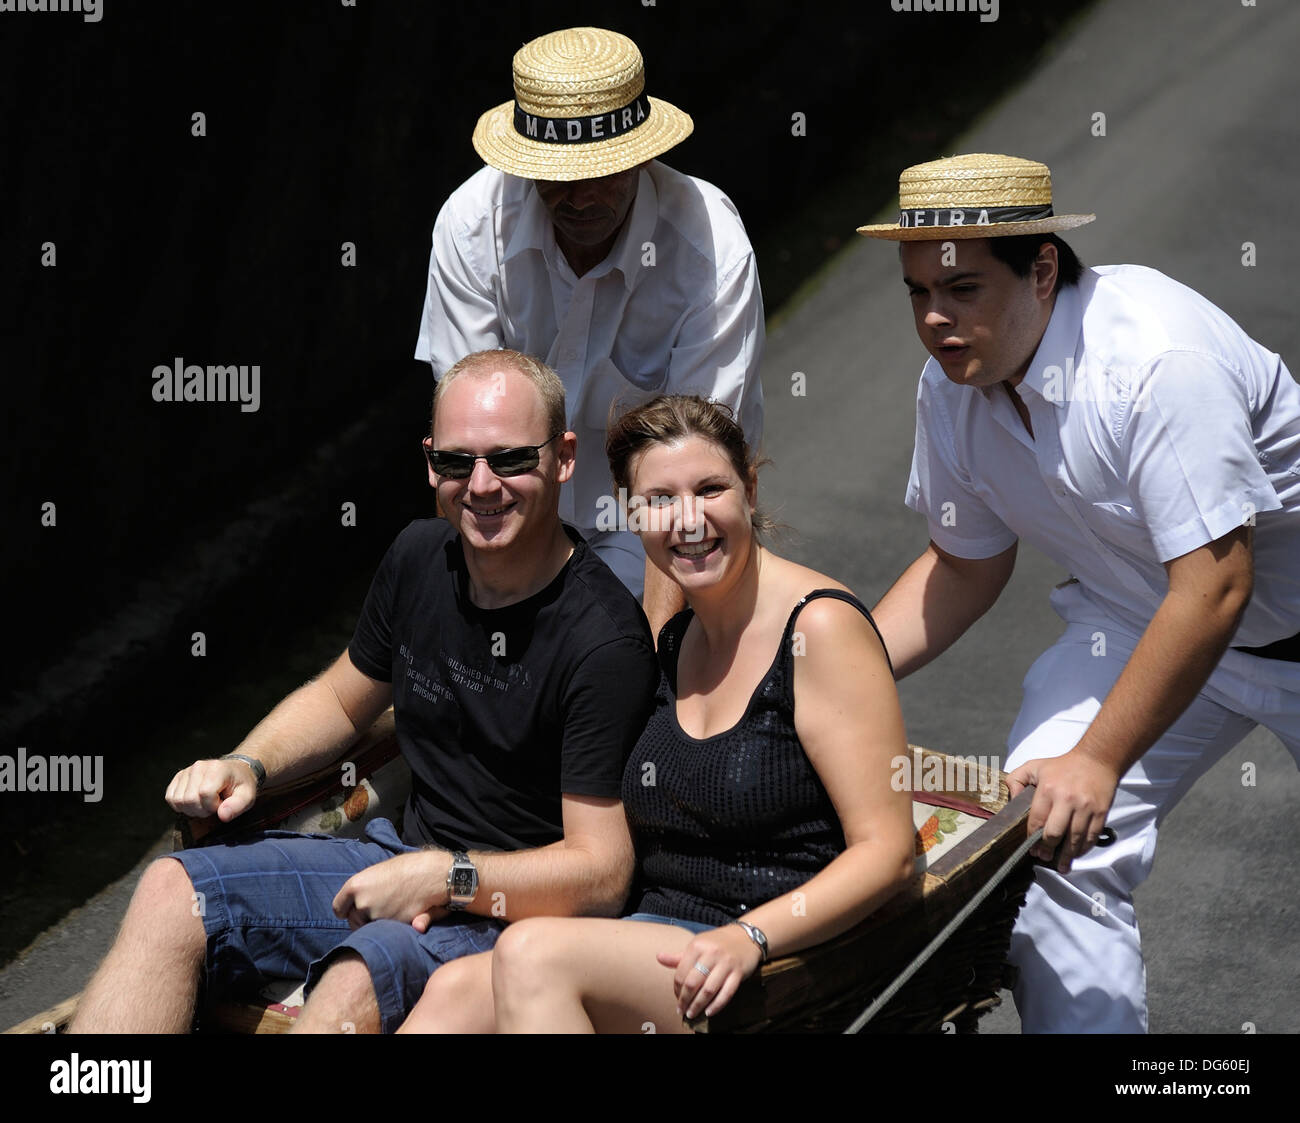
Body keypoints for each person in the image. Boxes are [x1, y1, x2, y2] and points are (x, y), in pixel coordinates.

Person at [68, 350, 658, 1034]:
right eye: (457, 462)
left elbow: (602, 872)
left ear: (561, 457)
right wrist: (247, 764)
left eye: (511, 459)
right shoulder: (418, 556)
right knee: (172, 887)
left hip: (505, 913)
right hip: (392, 860)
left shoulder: (603, 637)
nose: (483, 485)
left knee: (357, 975)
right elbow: (342, 701)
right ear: (430, 461)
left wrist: (447, 877)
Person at [858, 152, 1300, 1033]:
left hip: (1244, 617)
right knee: (1041, 846)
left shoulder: (1154, 358)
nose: (936, 318)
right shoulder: (953, 388)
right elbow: (963, 564)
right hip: (1138, 622)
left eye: (963, 289)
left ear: (1044, 268)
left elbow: (1216, 583)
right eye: (916, 293)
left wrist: (1098, 758)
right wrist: (818, 673)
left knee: (1072, 785)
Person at [396, 395, 915, 1033]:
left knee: (533, 954)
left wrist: (752, 936)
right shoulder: (673, 641)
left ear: (749, 489)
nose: (687, 520)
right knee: (454, 988)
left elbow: (888, 851)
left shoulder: (821, 627)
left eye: (710, 489)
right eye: (659, 501)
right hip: (656, 937)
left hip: (778, 958)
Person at [415, 25, 765, 627]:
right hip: (515, 525)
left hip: (668, 537)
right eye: (555, 173)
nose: (579, 197)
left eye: (603, 170)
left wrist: (645, 660)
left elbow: (691, 479)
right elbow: (476, 453)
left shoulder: (712, 250)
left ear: (643, 155)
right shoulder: (470, 229)